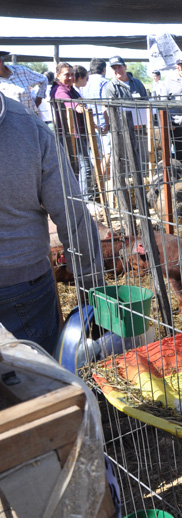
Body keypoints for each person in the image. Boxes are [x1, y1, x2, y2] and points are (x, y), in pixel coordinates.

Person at [0, 91, 104, 356]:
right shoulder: (28, 126)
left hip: (21, 283)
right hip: (21, 283)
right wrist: (91, 287)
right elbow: (72, 212)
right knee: (36, 372)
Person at [51, 62, 93, 196]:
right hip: (70, 135)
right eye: (66, 75)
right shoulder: (59, 90)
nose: (70, 77)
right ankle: (85, 198)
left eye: (71, 74)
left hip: (77, 132)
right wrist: (76, 106)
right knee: (84, 167)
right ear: (58, 75)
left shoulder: (70, 89)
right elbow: (66, 101)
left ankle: (79, 196)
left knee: (80, 167)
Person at [0, 50, 48, 115]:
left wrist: (38, 100)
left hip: (31, 117)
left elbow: (43, 79)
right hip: (9, 119)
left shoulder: (21, 71)